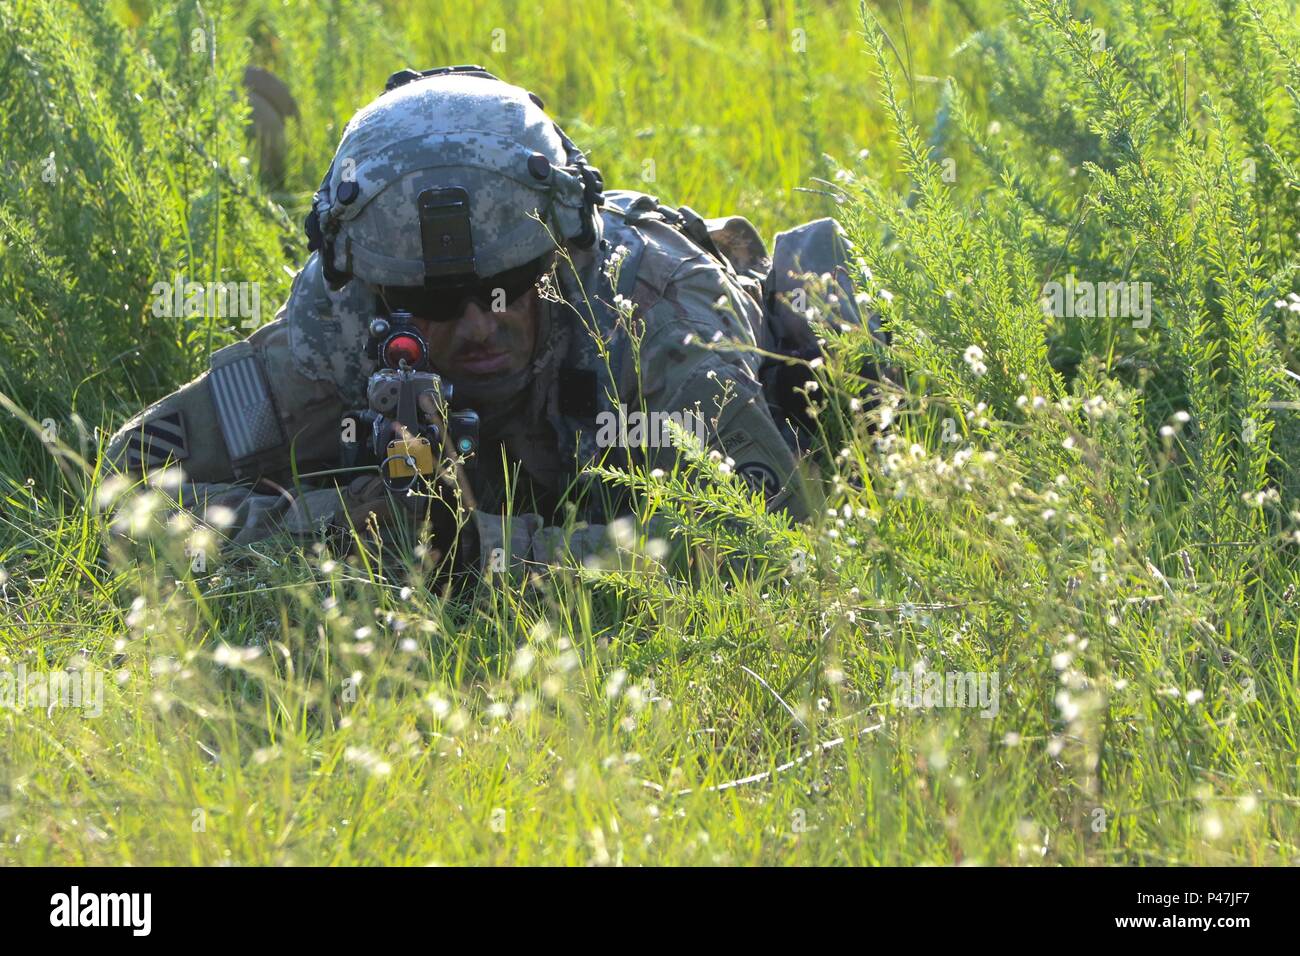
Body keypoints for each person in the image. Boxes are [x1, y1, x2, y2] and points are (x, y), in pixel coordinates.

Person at [104, 66, 836, 573]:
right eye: (433, 304)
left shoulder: (654, 316)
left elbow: (763, 546)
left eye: (509, 285)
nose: (480, 326)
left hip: (775, 365)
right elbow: (128, 486)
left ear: (557, 256)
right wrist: (352, 527)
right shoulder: (341, 324)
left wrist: (481, 558)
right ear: (380, 292)